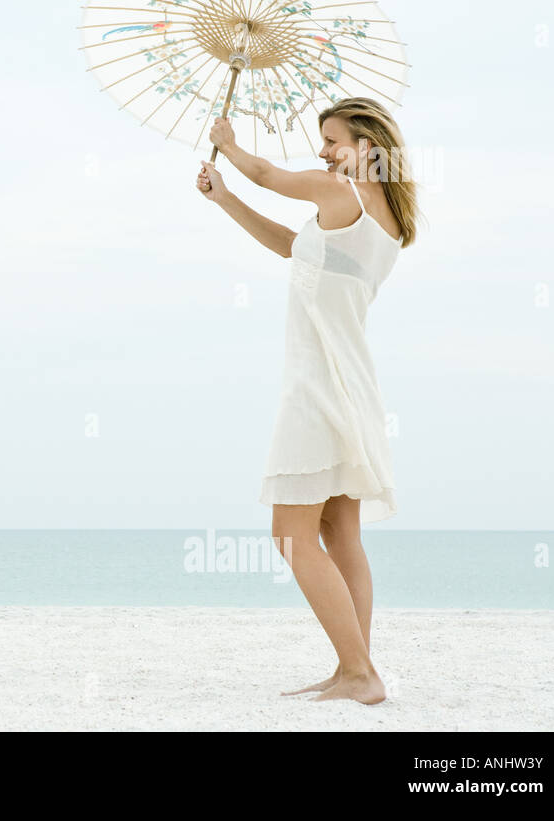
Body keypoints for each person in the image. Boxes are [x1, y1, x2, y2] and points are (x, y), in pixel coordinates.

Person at [195, 98, 422, 704]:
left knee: (291, 535)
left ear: (368, 145)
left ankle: (357, 671)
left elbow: (270, 174)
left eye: (332, 140)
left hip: (318, 389)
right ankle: (357, 668)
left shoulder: (340, 193)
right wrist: (224, 199)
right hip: (352, 387)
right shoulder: (376, 215)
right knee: (340, 530)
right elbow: (292, 248)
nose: (323, 152)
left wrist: (230, 142)